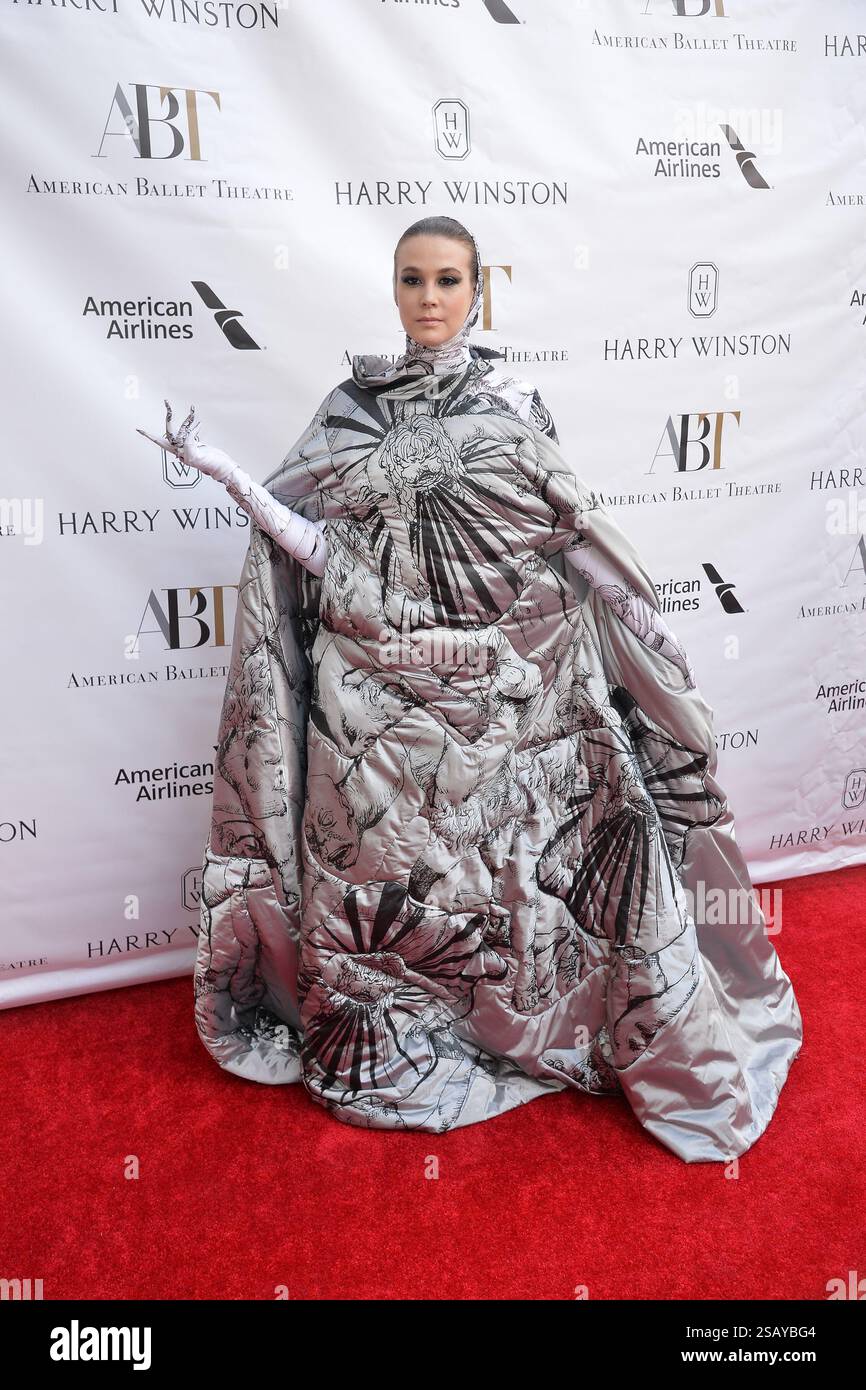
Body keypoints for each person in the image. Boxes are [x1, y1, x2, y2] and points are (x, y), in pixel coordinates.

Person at [138, 215, 802, 1162]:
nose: (431, 299)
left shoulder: (516, 405)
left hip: (496, 694)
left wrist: (648, 634)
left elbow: (564, 541)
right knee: (374, 874)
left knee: (508, 877)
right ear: (395, 289)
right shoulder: (349, 409)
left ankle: (514, 1022)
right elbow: (317, 549)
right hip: (365, 695)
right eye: (413, 280)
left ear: (478, 291)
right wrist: (223, 472)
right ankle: (389, 1039)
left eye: (449, 280)